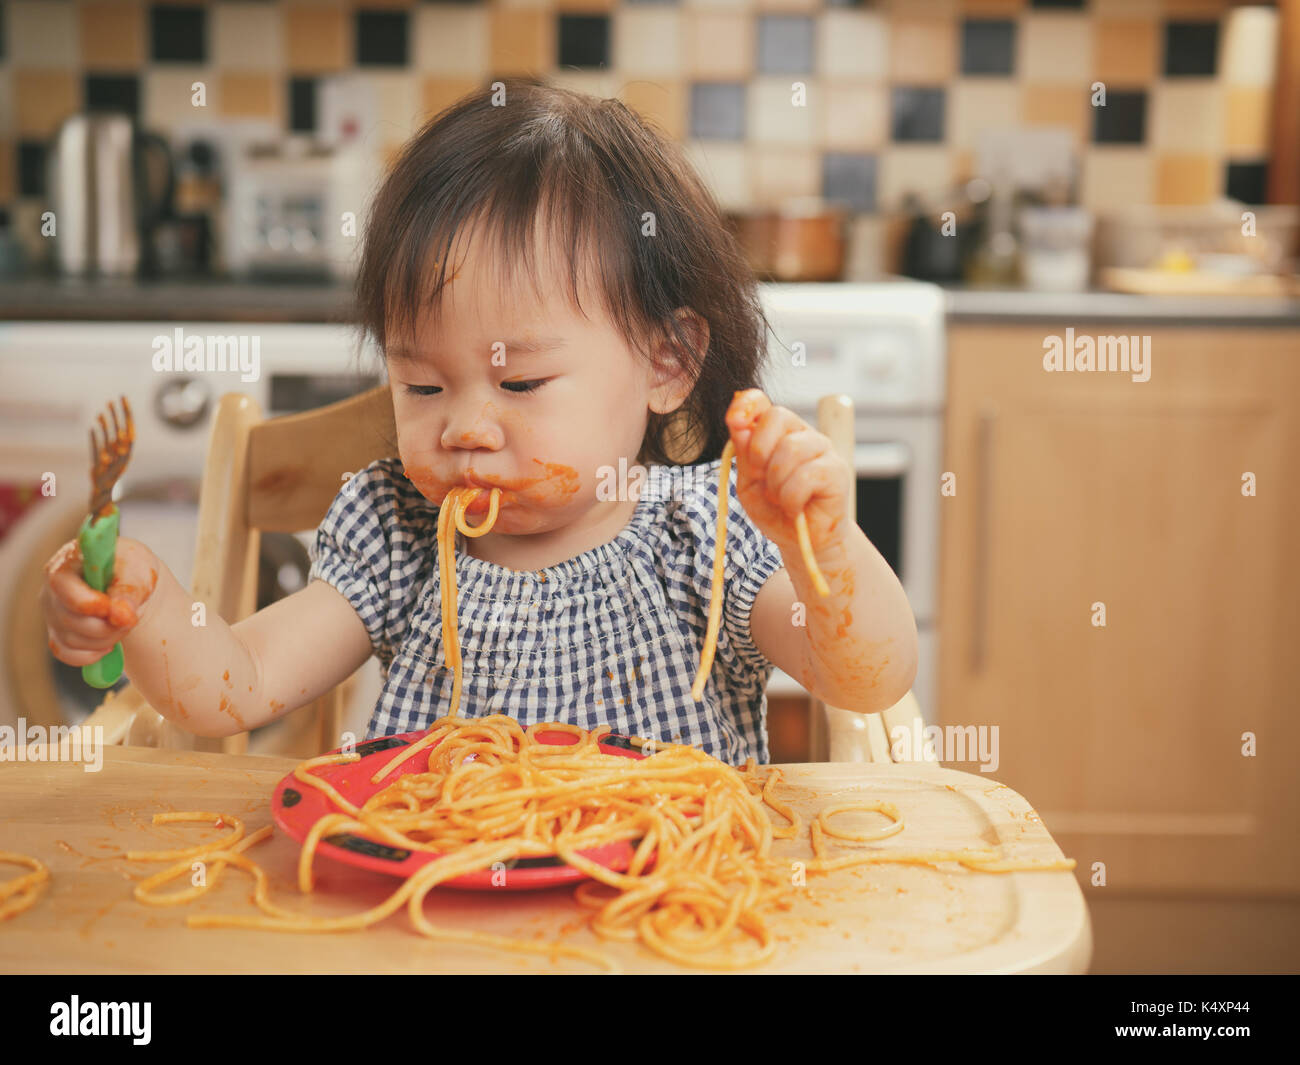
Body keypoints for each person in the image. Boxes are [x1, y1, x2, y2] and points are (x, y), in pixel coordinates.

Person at [41, 81, 917, 765]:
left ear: (666, 363)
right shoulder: (400, 533)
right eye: (421, 386)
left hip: (665, 919)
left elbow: (868, 678)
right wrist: (146, 607)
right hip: (429, 919)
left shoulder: (706, 540)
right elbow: (235, 685)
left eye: (522, 380)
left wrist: (827, 554)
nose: (464, 425)